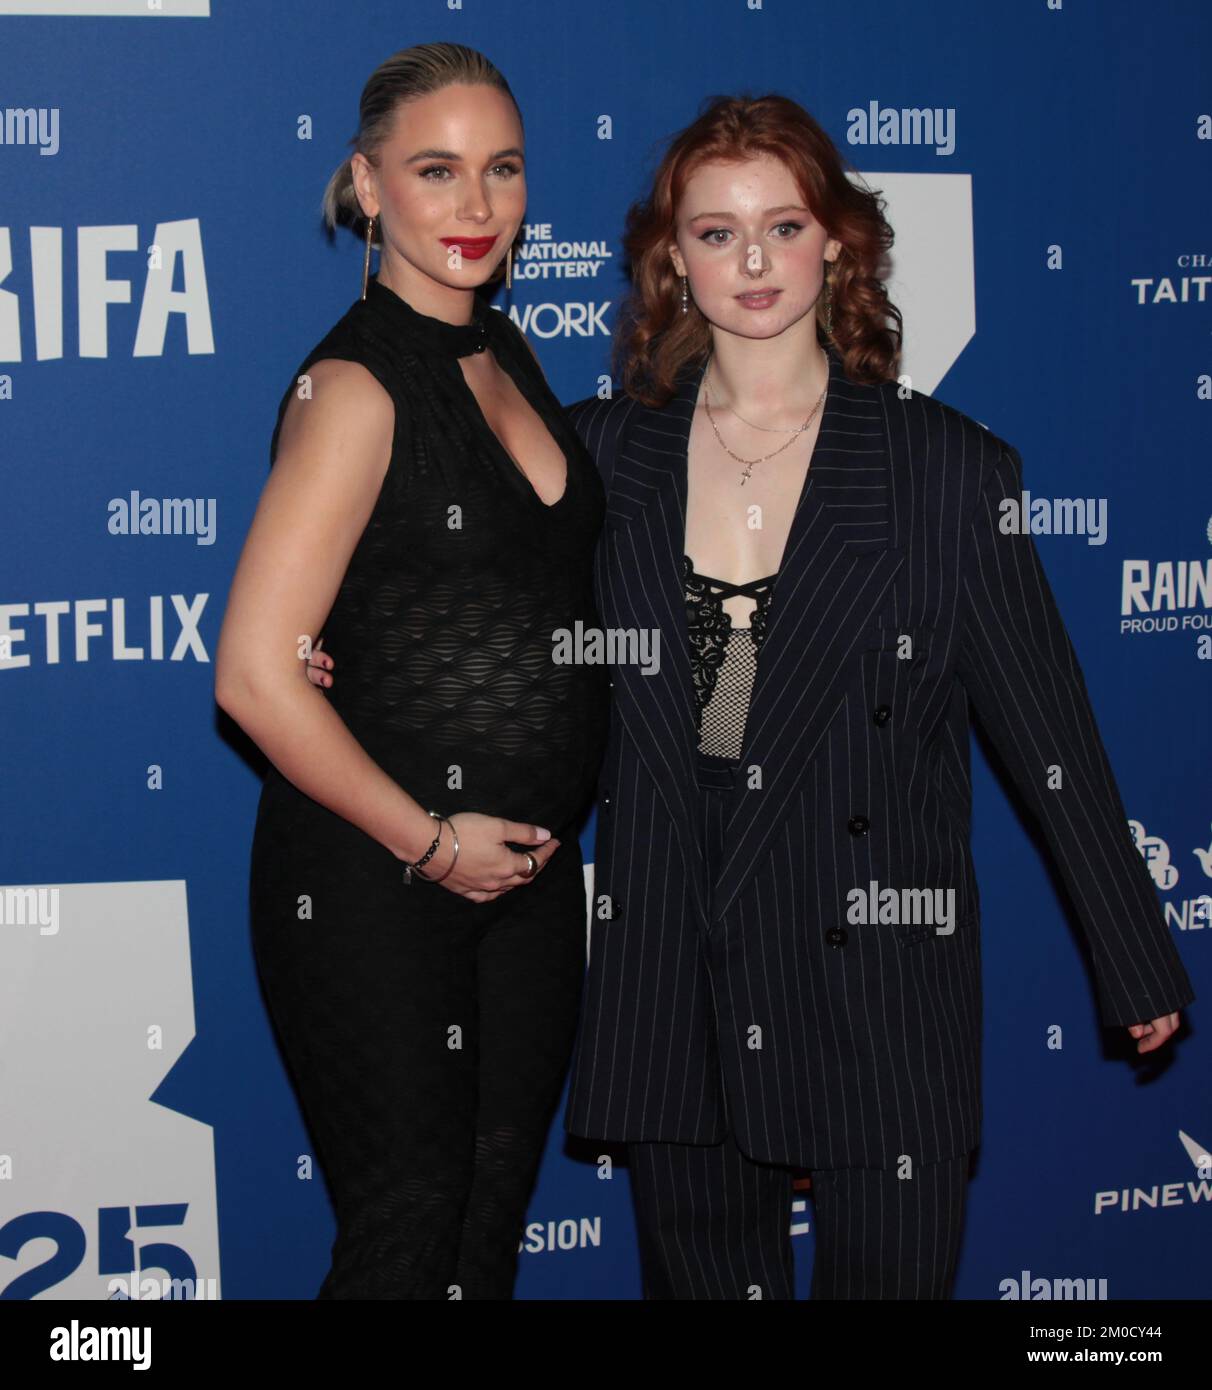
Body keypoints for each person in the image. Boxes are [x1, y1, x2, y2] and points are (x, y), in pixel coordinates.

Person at [557, 93, 1195, 1300]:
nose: (752, 261)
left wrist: (1133, 952)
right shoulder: (598, 454)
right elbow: (515, 655)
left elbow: (1051, 734)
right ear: (668, 260)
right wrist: (358, 675)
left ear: (838, 242)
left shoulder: (943, 468)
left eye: (784, 226)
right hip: (673, 978)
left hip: (878, 982)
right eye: (714, 232)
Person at [214, 42, 609, 1299]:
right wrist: (435, 843)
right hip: (376, 879)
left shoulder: (507, 353)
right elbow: (255, 677)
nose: (478, 207)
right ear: (367, 185)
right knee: (402, 1238)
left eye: (502, 169)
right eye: (437, 171)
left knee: (482, 1236)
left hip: (532, 884)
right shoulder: (355, 387)